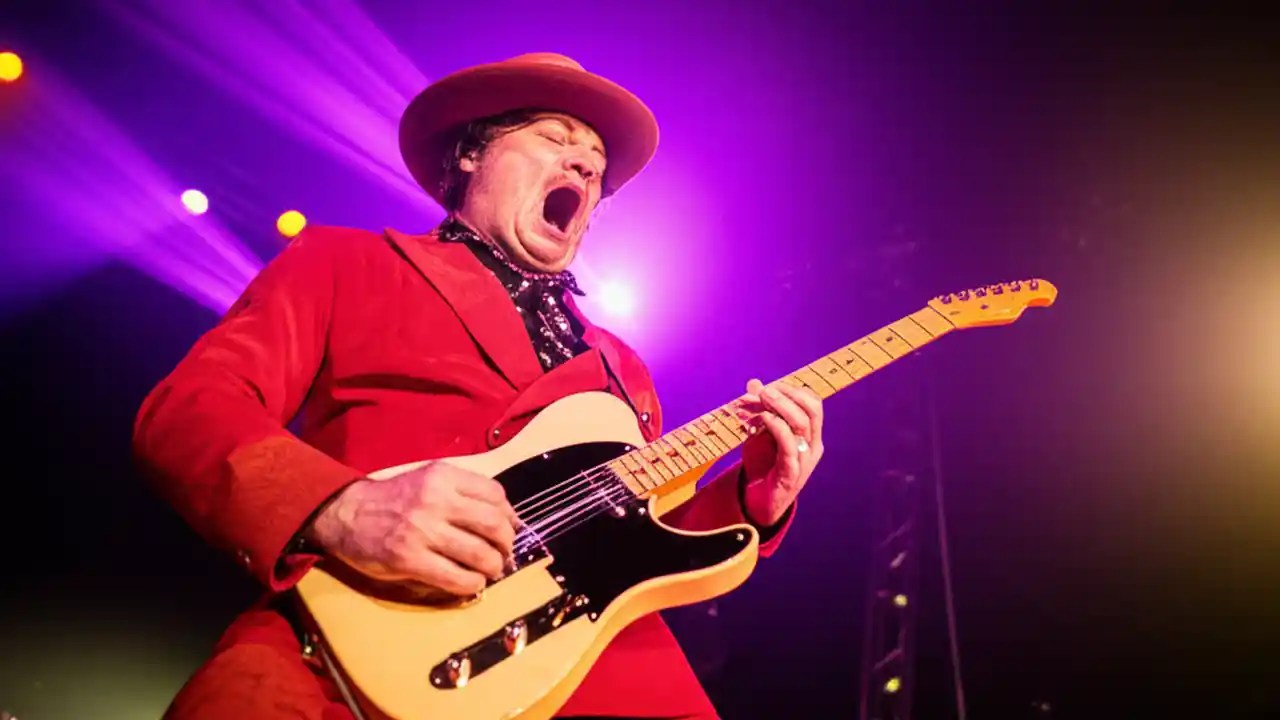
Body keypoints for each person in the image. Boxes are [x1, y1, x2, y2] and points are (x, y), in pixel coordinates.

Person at [133, 52, 825, 720]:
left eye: (595, 163)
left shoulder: (623, 365)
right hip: (355, 652)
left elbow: (636, 541)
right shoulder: (345, 263)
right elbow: (191, 413)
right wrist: (341, 508)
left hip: (598, 677)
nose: (585, 162)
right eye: (554, 136)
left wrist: (749, 501)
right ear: (471, 153)